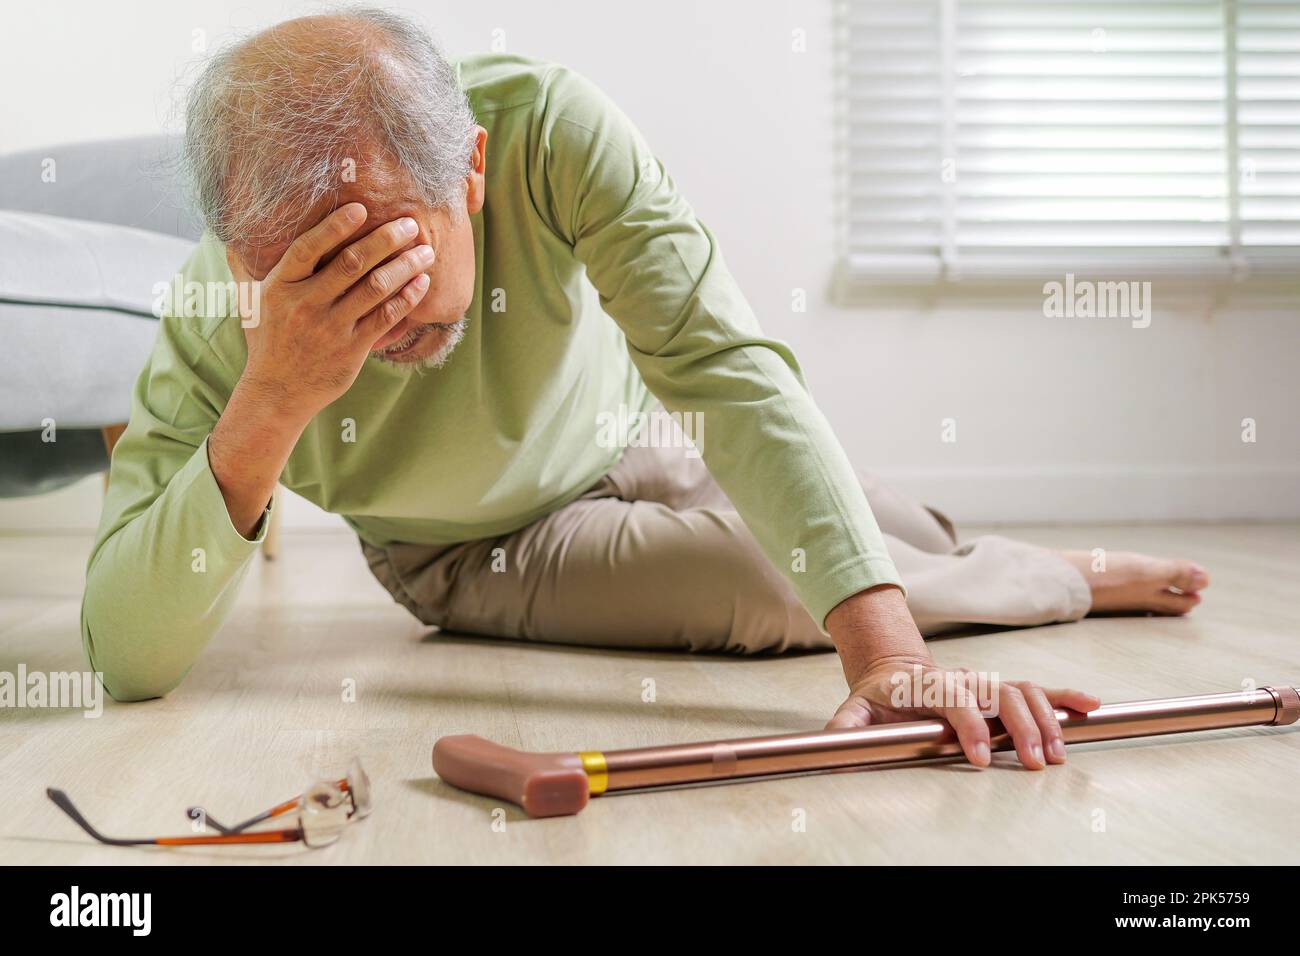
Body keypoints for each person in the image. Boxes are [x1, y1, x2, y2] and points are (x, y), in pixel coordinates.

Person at [84, 9, 1210, 772]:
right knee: (773, 581)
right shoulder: (214, 311)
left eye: (390, 257)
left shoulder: (546, 127)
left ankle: (972, 568)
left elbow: (722, 369)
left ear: (471, 170)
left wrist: (886, 648)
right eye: (306, 270)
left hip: (631, 429)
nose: (364, 317)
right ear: (236, 249)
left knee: (874, 527)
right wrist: (275, 395)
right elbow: (125, 654)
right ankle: (1060, 577)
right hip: (470, 544)